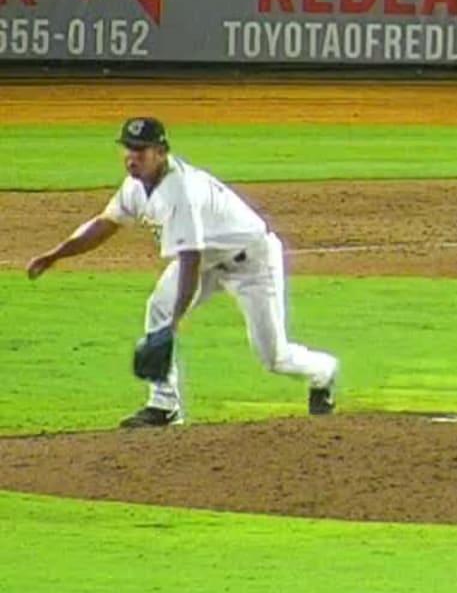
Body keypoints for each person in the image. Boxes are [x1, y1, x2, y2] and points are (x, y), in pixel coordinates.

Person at [25, 117, 340, 428]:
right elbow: (106, 223)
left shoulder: (181, 192)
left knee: (274, 357)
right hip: (207, 259)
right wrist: (56, 254)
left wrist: (173, 324)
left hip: (252, 263)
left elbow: (190, 260)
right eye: (128, 149)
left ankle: (323, 372)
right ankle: (165, 406)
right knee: (158, 307)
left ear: (161, 152)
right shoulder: (136, 185)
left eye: (141, 150)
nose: (132, 157)